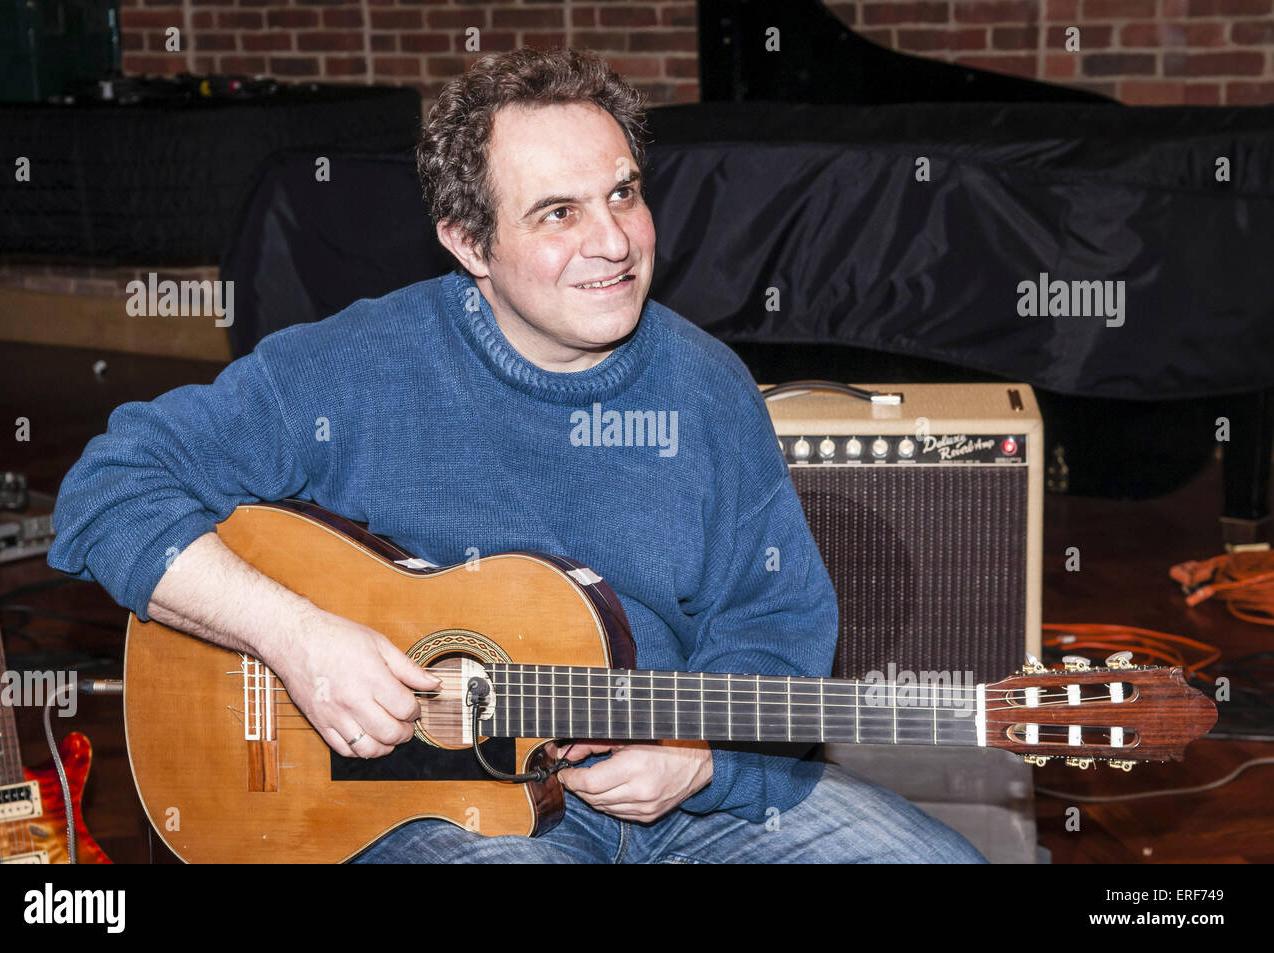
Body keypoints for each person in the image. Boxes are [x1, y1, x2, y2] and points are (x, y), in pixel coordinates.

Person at [48, 47, 985, 864]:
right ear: (468, 241)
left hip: (677, 803)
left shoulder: (707, 388)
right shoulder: (357, 365)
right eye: (557, 214)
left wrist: (704, 759)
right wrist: (297, 638)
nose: (613, 241)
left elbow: (775, 627)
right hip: (434, 811)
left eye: (623, 192)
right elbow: (107, 491)